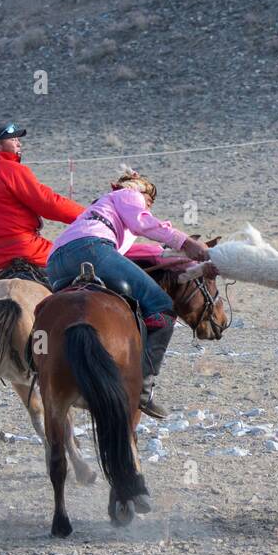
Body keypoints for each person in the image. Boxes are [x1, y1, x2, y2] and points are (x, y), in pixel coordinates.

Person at [46, 168, 213, 419]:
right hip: (92, 249)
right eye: (150, 201)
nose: (148, 207)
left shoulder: (100, 213)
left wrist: (178, 255)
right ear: (141, 190)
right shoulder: (130, 194)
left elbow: (138, 253)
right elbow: (142, 222)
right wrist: (187, 242)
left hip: (56, 263)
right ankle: (142, 389)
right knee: (162, 305)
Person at [0, 123, 86, 333]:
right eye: (13, 139)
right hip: (28, 249)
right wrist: (87, 216)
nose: (18, 142)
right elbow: (48, 203)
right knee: (78, 280)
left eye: (17, 139)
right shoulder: (14, 170)